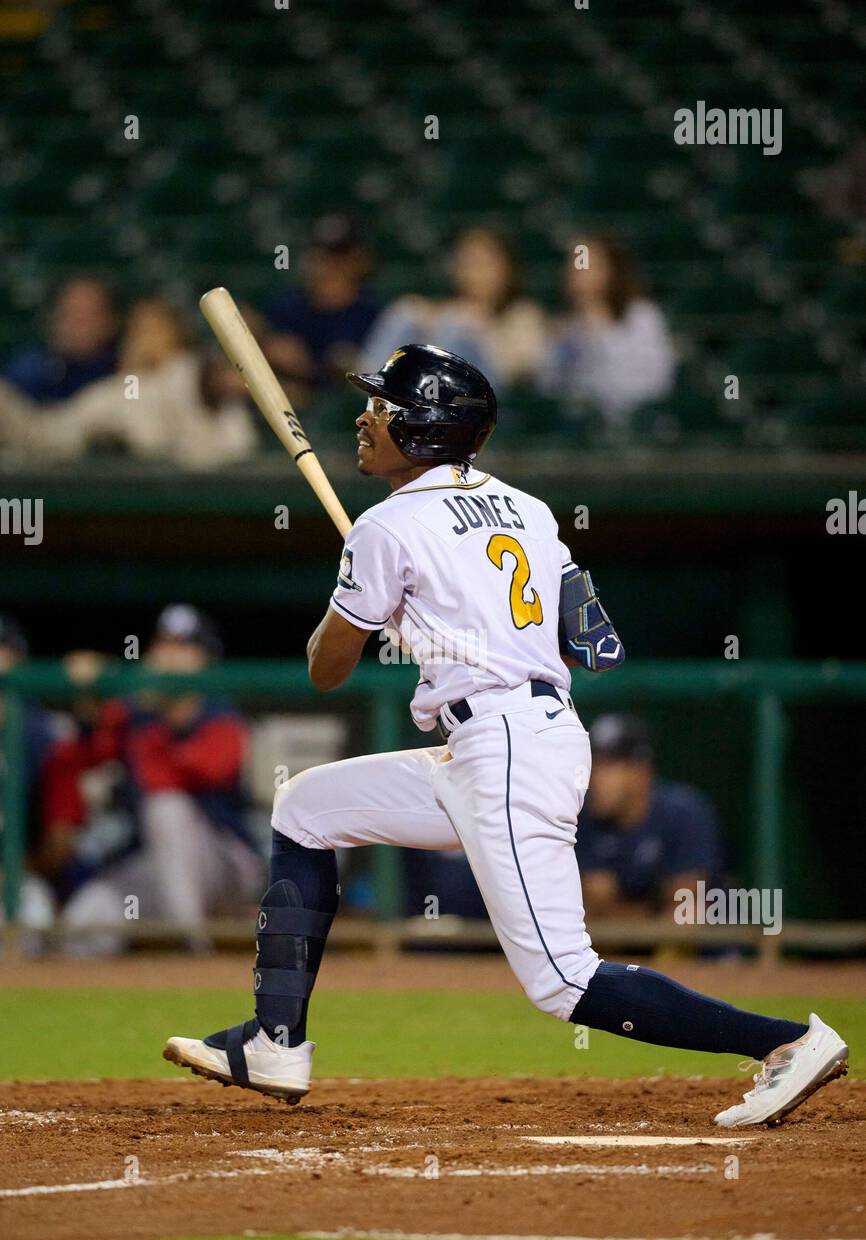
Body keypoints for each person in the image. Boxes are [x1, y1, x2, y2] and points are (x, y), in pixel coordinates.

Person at [165, 345, 848, 1129]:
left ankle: (788, 1043)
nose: (364, 417)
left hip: (506, 745)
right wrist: (435, 604)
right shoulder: (528, 509)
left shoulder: (386, 528)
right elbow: (596, 644)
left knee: (563, 981)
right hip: (508, 735)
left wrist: (360, 591)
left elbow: (327, 669)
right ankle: (277, 1040)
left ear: (422, 427)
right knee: (305, 809)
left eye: (382, 406)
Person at [48, 606, 263, 953]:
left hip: (226, 867)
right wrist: (92, 703)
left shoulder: (222, 717)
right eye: (164, 644)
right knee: (86, 919)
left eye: (185, 646)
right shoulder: (133, 713)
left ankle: (191, 949)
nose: (170, 656)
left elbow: (183, 777)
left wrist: (149, 716)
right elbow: (74, 760)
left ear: (206, 661)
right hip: (159, 871)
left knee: (166, 809)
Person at [0, 298, 257, 470]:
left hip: (176, 470)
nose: (144, 339)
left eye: (154, 329)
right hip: (59, 436)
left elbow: (229, 416)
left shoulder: (191, 371)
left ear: (176, 333)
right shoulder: (124, 383)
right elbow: (66, 424)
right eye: (138, 330)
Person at [363, 226, 545, 392]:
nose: (474, 273)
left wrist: (480, 329)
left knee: (455, 326)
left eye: (483, 263)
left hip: (489, 402)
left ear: (507, 269)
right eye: (466, 263)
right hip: (430, 388)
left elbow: (520, 371)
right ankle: (371, 381)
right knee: (408, 309)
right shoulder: (450, 311)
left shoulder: (523, 313)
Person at [577, 713, 723, 920]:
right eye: (592, 765)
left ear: (641, 771)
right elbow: (590, 909)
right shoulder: (583, 818)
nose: (595, 778)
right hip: (612, 947)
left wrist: (620, 910)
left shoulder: (683, 813)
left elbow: (685, 910)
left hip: (696, 949)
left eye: (608, 767)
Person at [538, 234, 676, 421]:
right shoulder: (563, 326)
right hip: (578, 429)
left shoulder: (642, 317)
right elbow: (548, 385)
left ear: (611, 270)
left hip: (635, 424)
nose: (578, 272)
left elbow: (657, 382)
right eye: (574, 265)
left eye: (587, 264)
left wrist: (601, 333)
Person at [264, 214, 381, 399]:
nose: (329, 264)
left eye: (339, 256)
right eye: (322, 255)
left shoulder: (373, 311)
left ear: (359, 259)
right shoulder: (289, 307)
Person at [0, 615, 57, 933]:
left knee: (33, 919)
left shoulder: (42, 735)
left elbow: (59, 840)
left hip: (24, 878)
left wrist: (14, 871)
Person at [3, 276, 118, 403]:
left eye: (85, 317)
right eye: (68, 314)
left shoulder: (123, 369)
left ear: (109, 322)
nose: (74, 325)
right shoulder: (32, 365)